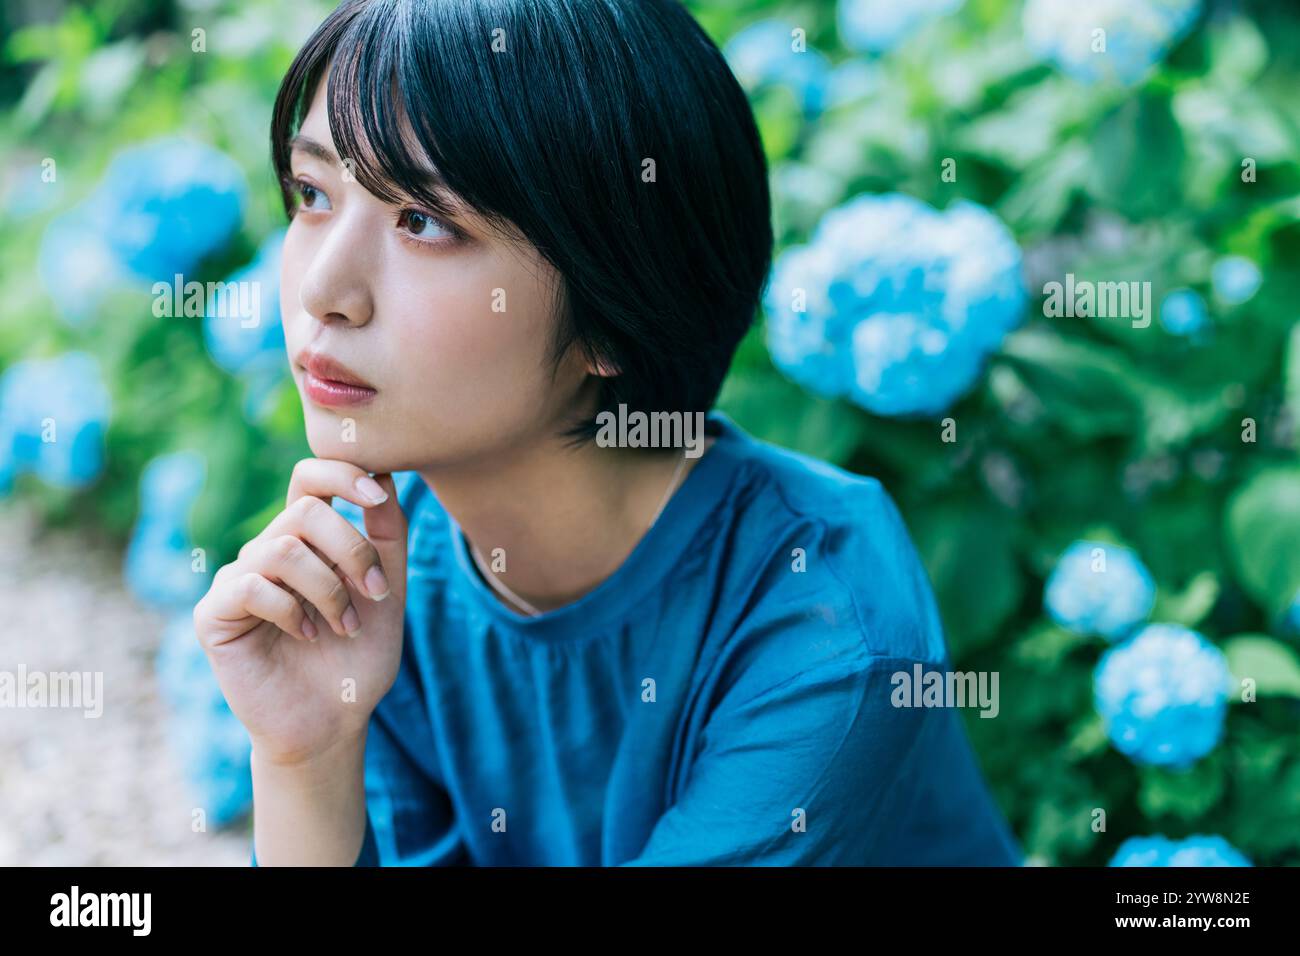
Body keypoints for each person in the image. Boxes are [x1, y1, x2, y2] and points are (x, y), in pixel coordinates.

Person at [193, 0, 1022, 866]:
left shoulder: (819, 615)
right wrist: (305, 757)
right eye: (313, 193)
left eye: (425, 222)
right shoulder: (381, 588)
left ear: (614, 314)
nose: (324, 288)